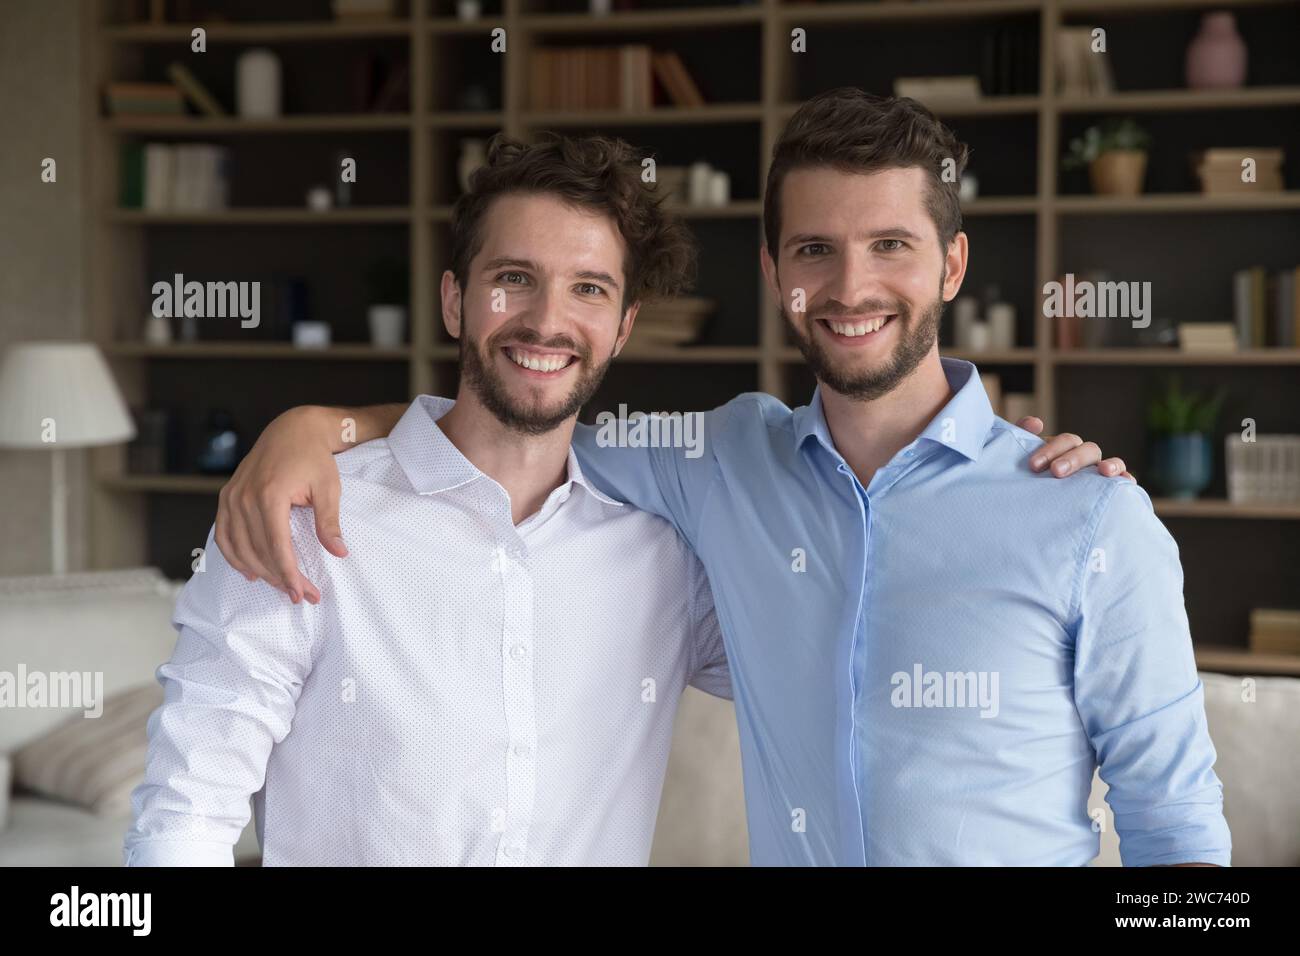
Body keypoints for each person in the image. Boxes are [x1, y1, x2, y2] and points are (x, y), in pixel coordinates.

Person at [214, 93, 1227, 866]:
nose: (850, 287)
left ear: (952, 265)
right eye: (814, 250)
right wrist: (321, 426)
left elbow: (1174, 823)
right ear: (774, 270)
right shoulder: (717, 458)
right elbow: (518, 411)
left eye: (890, 247)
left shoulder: (1088, 513)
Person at [125, 134, 732, 866]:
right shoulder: (304, 515)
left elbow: (829, 674)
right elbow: (187, 812)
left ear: (623, 326)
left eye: (589, 288)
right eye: (514, 277)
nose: (547, 320)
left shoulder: (665, 554)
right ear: (455, 300)